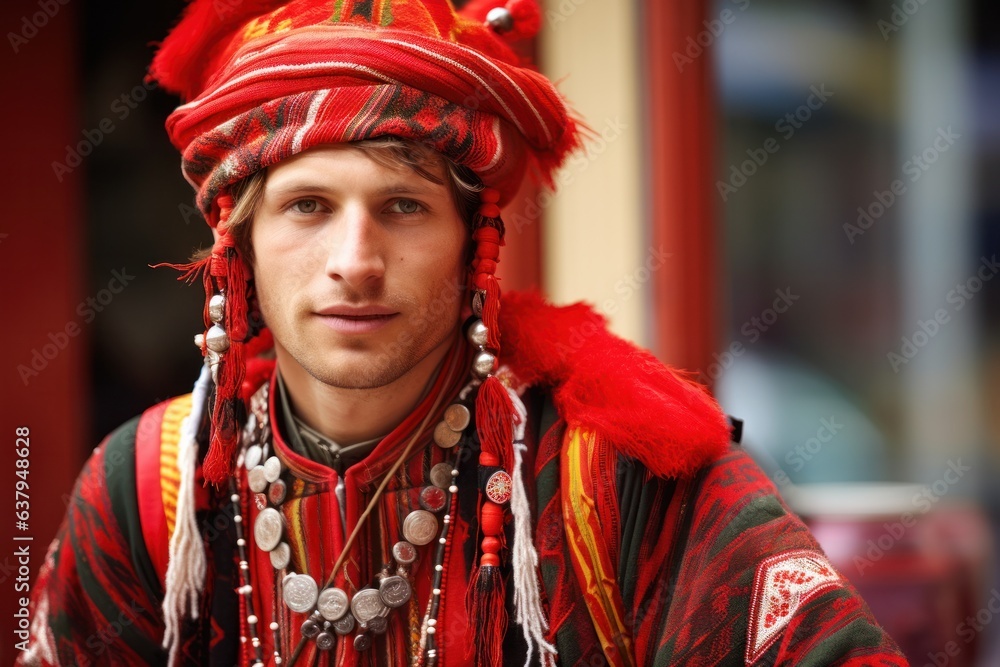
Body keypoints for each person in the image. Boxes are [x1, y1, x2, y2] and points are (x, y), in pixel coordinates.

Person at [18, 1, 909, 665]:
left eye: (403, 207)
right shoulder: (147, 491)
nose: (354, 260)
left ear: (474, 243)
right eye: (307, 207)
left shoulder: (617, 478)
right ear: (237, 242)